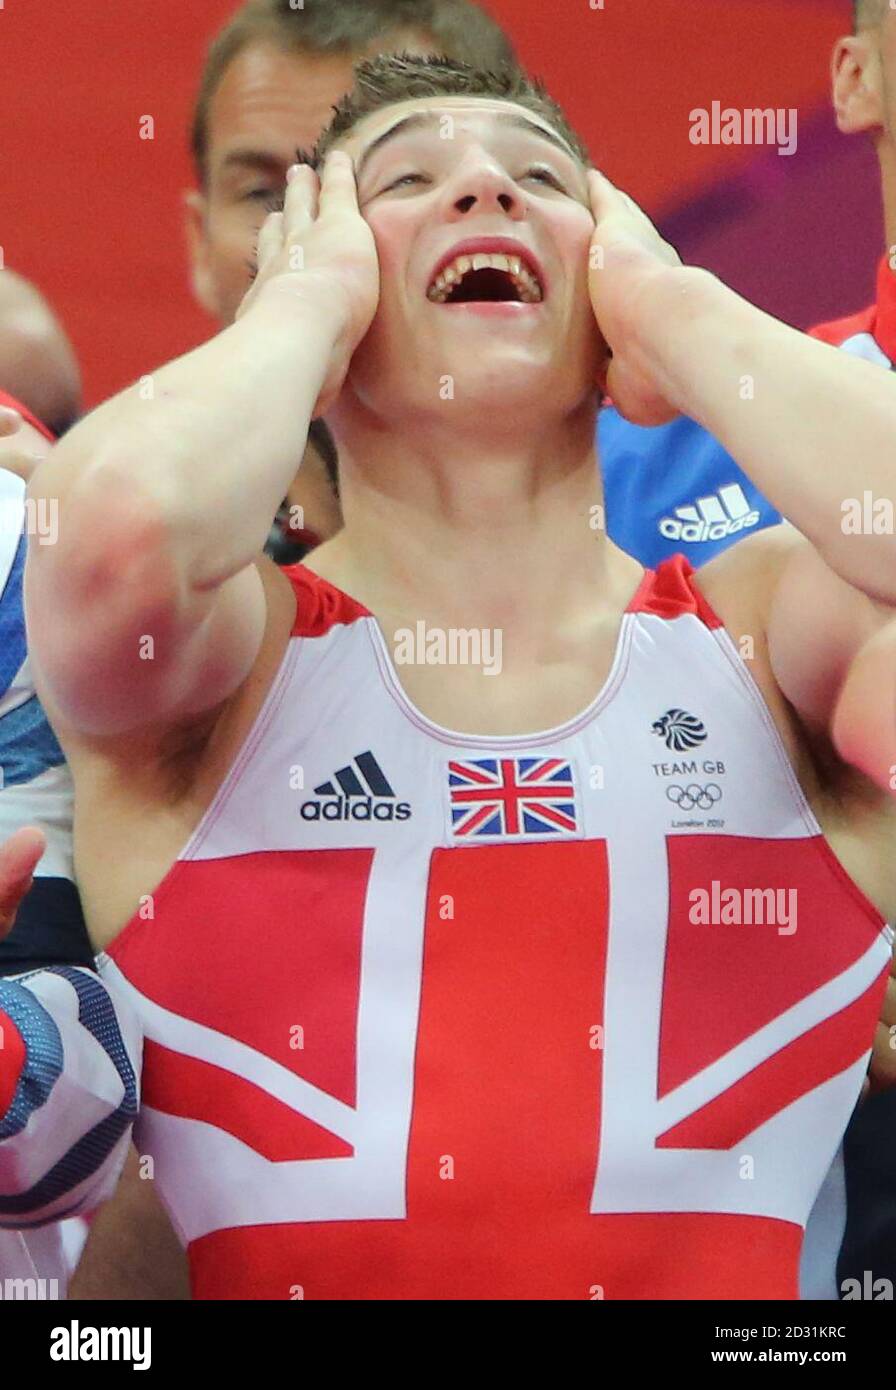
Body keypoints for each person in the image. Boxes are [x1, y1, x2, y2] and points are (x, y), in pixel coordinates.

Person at [8, 54, 896, 1300]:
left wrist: (672, 312)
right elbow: (106, 538)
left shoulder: (771, 642)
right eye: (408, 180)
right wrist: (296, 309)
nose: (484, 188)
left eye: (540, 178)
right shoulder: (223, 671)